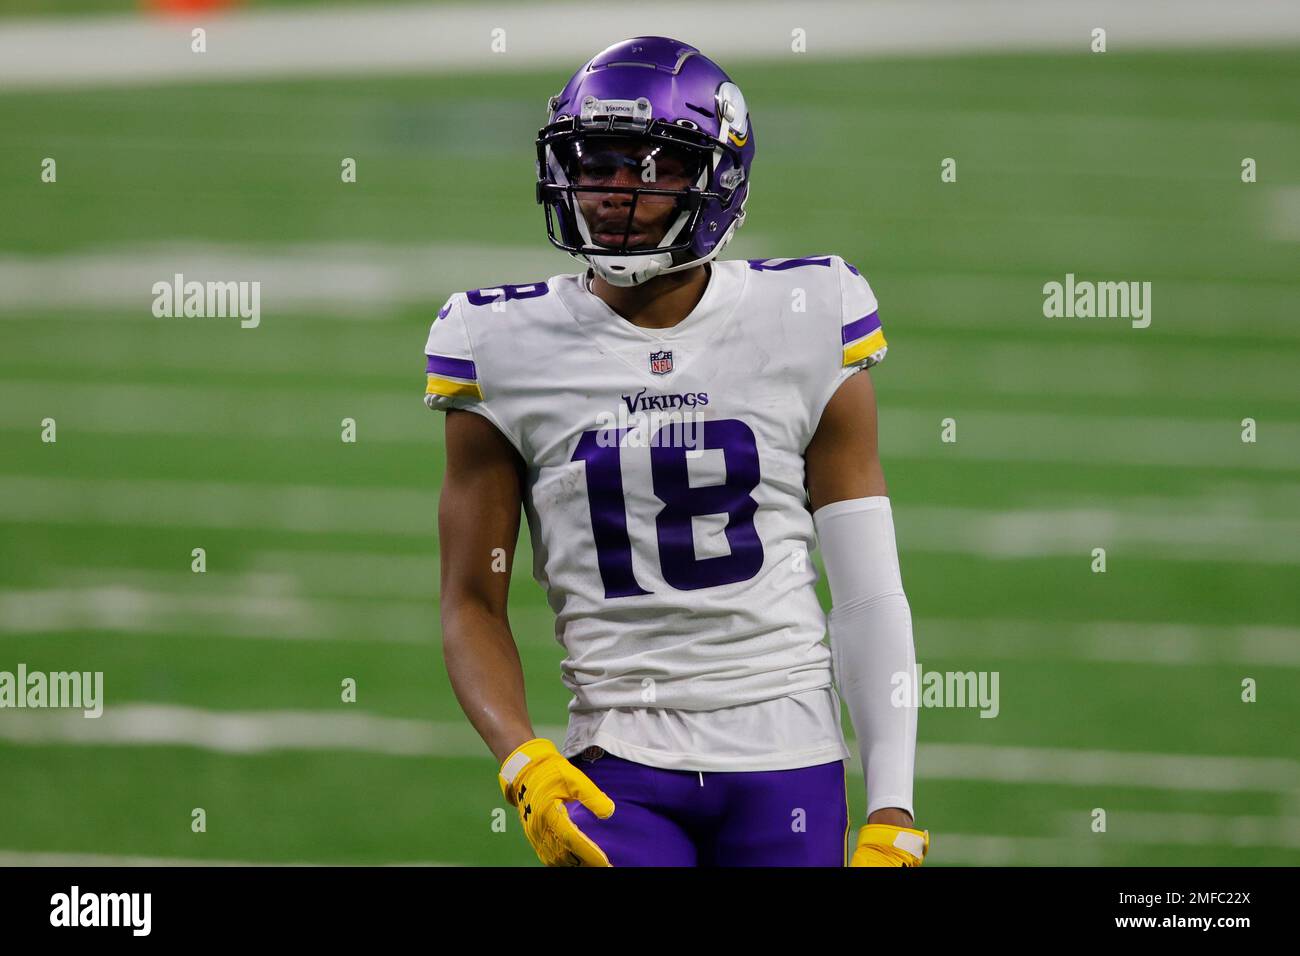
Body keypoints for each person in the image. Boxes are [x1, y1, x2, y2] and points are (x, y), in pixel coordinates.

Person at [424, 35, 927, 867]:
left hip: (788, 753)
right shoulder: (499, 343)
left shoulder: (806, 315)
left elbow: (869, 592)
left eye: (647, 169)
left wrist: (893, 805)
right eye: (596, 164)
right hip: (616, 763)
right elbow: (471, 601)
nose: (613, 194)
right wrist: (521, 759)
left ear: (715, 178)